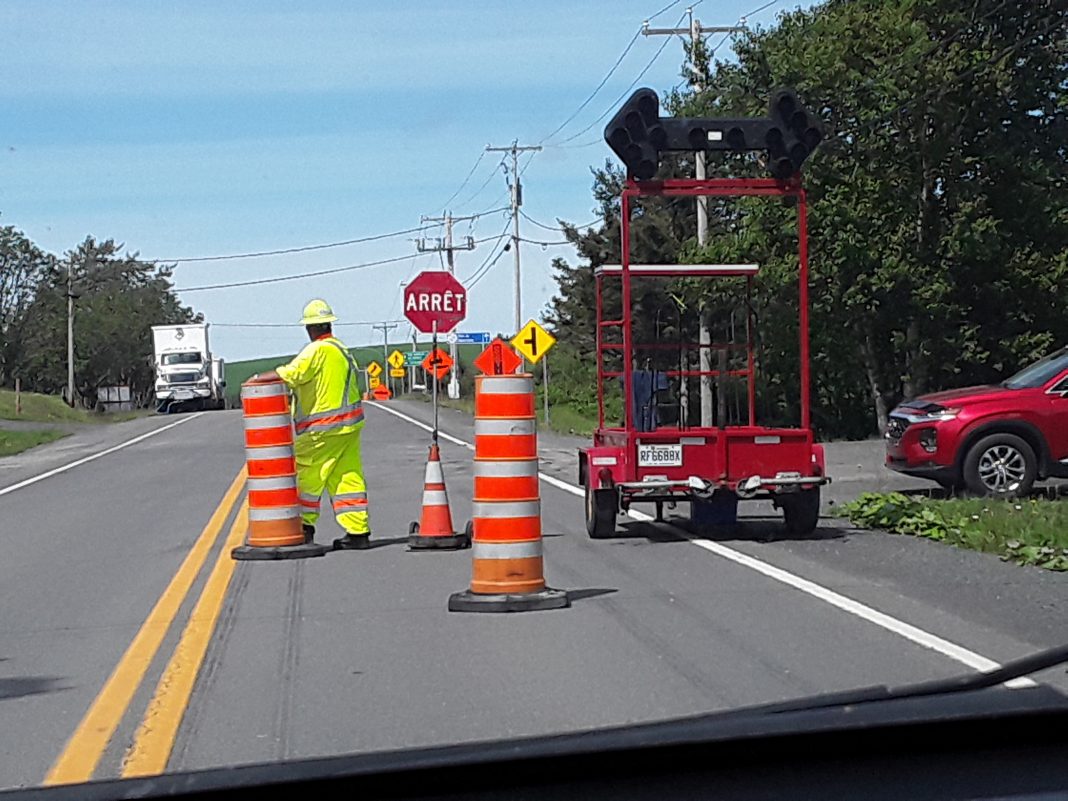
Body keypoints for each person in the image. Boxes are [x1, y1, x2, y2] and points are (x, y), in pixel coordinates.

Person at [252, 299, 370, 550]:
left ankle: (304, 527)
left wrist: (256, 380)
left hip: (322, 430)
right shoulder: (341, 349)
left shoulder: (316, 351)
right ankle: (358, 531)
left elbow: (291, 374)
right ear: (329, 324)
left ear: (310, 328)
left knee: (308, 475)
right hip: (348, 427)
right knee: (347, 477)